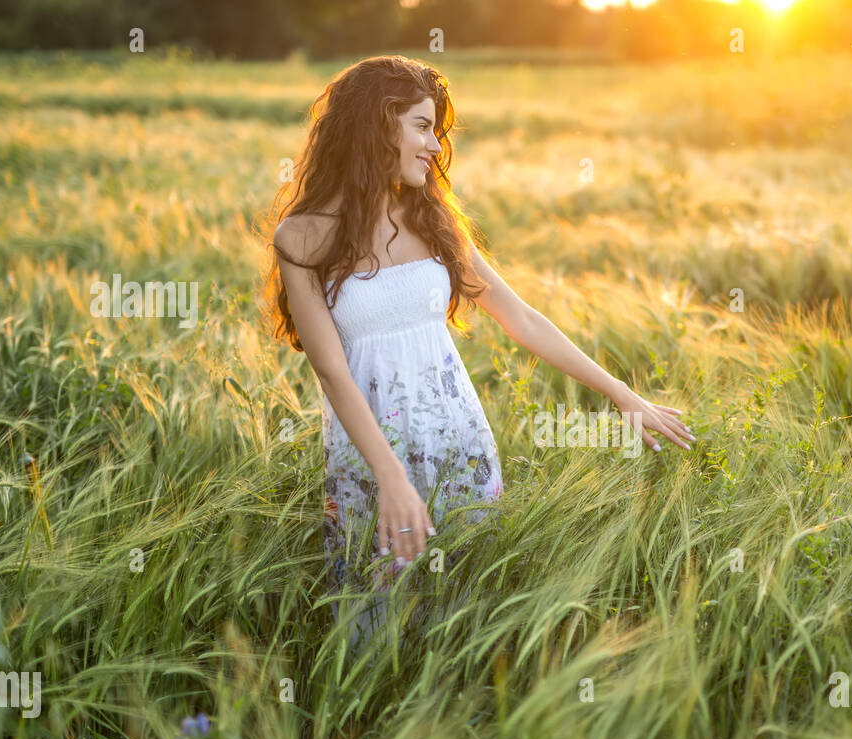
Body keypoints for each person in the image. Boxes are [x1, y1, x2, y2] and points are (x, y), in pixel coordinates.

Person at [261, 54, 693, 658]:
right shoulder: (303, 238)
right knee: (372, 633)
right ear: (377, 126)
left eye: (435, 129)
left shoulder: (432, 222)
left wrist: (623, 395)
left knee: (461, 622)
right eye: (420, 125)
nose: (434, 145)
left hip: (456, 448)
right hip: (369, 463)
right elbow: (332, 370)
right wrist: (391, 479)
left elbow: (521, 319)